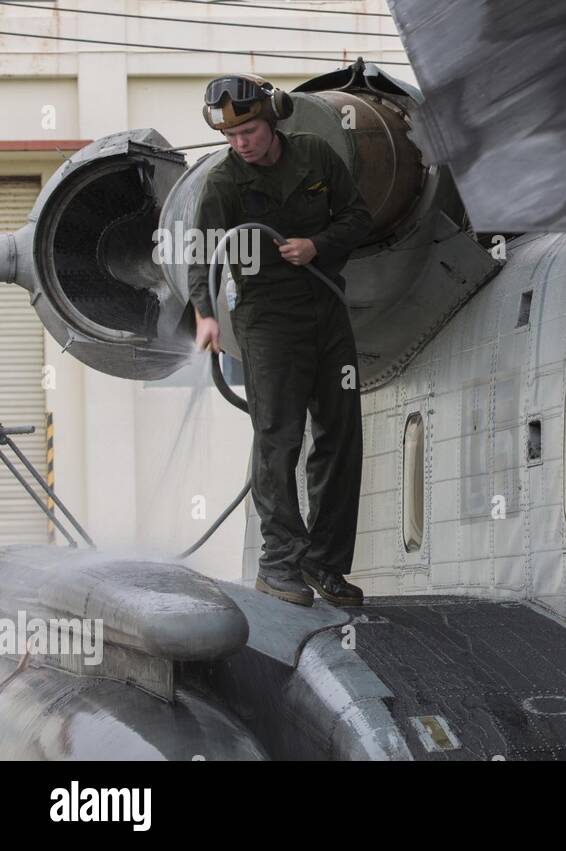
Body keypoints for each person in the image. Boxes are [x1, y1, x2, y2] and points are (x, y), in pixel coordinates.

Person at [187, 74, 372, 607]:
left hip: (326, 307)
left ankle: (325, 562)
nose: (240, 142)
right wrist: (205, 315)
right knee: (278, 437)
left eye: (248, 130)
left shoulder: (314, 155)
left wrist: (318, 245)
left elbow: (357, 217)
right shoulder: (223, 183)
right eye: (230, 135)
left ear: (272, 120)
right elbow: (200, 254)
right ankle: (279, 563)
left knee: (340, 434)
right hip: (267, 317)